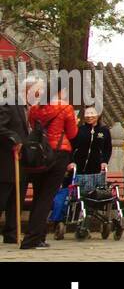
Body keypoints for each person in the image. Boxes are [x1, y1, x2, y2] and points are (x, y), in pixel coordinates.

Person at [22, 77, 78, 249]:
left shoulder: (35, 109)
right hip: (58, 153)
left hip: (39, 154)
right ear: (59, 92)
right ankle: (32, 239)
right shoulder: (66, 108)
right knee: (47, 197)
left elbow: (34, 127)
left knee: (39, 195)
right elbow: (72, 133)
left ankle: (37, 236)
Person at [0, 84, 29, 245]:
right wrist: (14, 138)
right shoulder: (10, 103)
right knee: (2, 198)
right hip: (7, 161)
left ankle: (11, 233)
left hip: (23, 162)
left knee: (16, 200)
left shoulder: (31, 108)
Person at [71, 106, 112, 186]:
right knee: (79, 192)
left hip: (97, 168)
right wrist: (71, 161)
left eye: (92, 113)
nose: (89, 116)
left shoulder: (104, 131)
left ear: (98, 115)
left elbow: (107, 148)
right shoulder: (79, 130)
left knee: (95, 192)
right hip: (79, 167)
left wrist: (104, 161)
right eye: (87, 114)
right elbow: (71, 147)